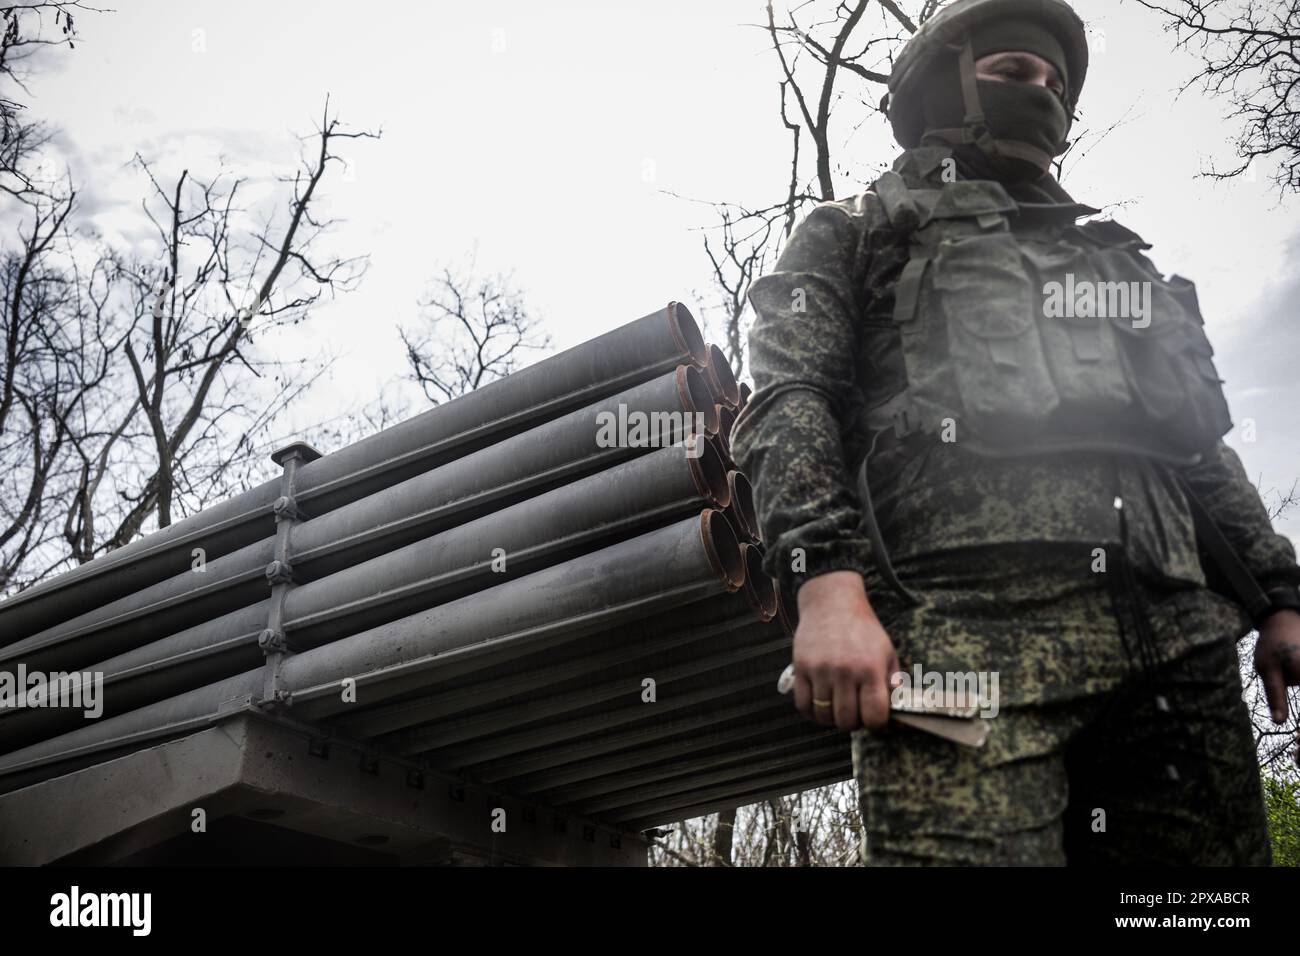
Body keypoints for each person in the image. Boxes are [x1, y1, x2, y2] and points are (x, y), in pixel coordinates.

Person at [731, 0, 1300, 865]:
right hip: (965, 637)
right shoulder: (854, 228)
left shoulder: (1114, 257)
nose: (1038, 92)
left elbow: (1195, 447)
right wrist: (824, 582)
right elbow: (789, 399)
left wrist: (1279, 594)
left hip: (1178, 647)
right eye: (1010, 73)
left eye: (1053, 82)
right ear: (944, 89)